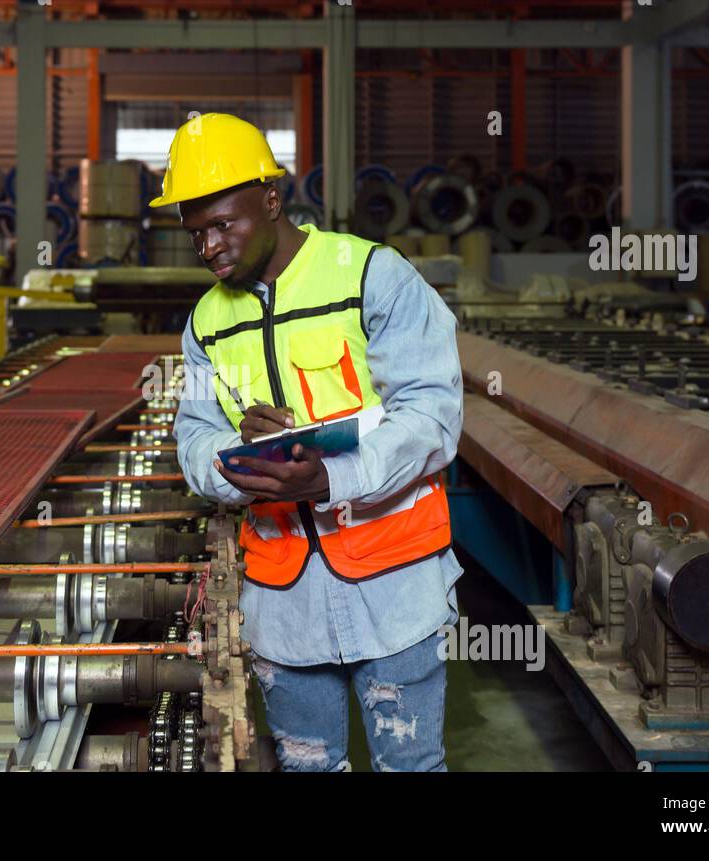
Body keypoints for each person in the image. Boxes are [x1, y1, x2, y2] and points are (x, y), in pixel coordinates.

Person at [154, 113, 464, 772]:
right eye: (197, 234)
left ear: (272, 199)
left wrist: (330, 478)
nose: (210, 247)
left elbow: (433, 417)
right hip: (282, 604)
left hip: (395, 585)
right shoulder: (207, 322)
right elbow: (192, 438)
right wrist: (239, 466)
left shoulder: (370, 276)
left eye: (223, 224)